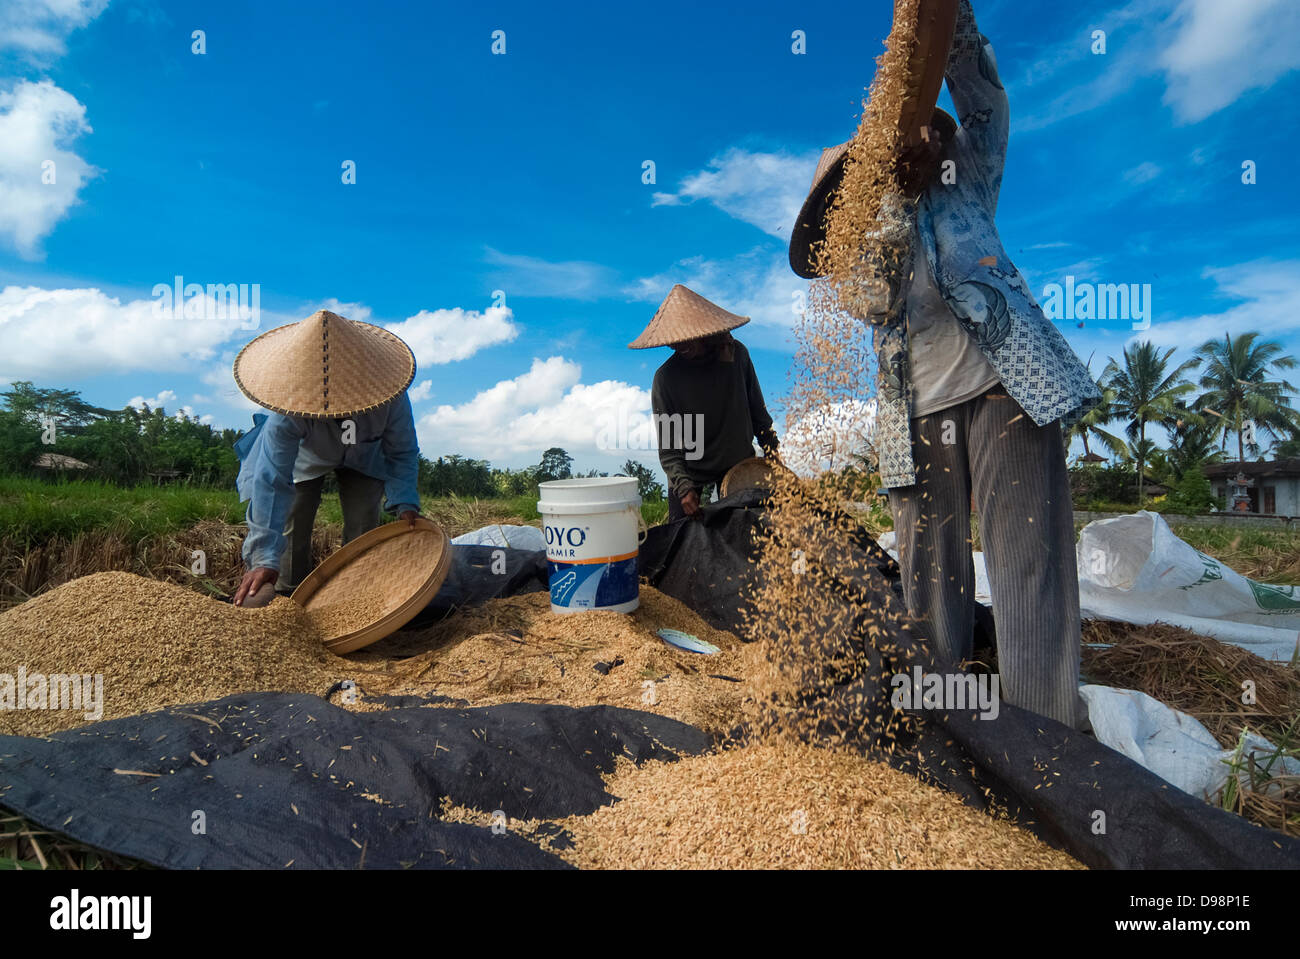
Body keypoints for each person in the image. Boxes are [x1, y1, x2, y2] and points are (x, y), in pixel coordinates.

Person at [789, 0, 1100, 729]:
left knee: (1029, 564)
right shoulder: (861, 238)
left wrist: (947, 26)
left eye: (930, 134)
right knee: (929, 578)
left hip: (1005, 386)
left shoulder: (970, 180)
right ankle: (942, 722)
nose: (922, 147)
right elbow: (870, 301)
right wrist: (890, 199)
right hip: (915, 414)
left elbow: (987, 102)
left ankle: (1042, 737)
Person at [230, 309, 422, 606]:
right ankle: (289, 596)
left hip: (365, 456)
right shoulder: (288, 412)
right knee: (294, 517)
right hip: (307, 456)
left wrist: (406, 501)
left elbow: (401, 452)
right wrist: (262, 556)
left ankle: (353, 598)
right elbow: (271, 480)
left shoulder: (391, 399)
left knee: (363, 525)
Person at [629, 284, 780, 522]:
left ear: (705, 331)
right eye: (674, 341)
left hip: (737, 464)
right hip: (690, 471)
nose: (679, 345)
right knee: (681, 537)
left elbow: (758, 413)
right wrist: (684, 486)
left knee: (748, 533)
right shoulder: (666, 378)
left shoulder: (736, 354)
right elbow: (669, 447)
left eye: (686, 338)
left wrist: (773, 452)